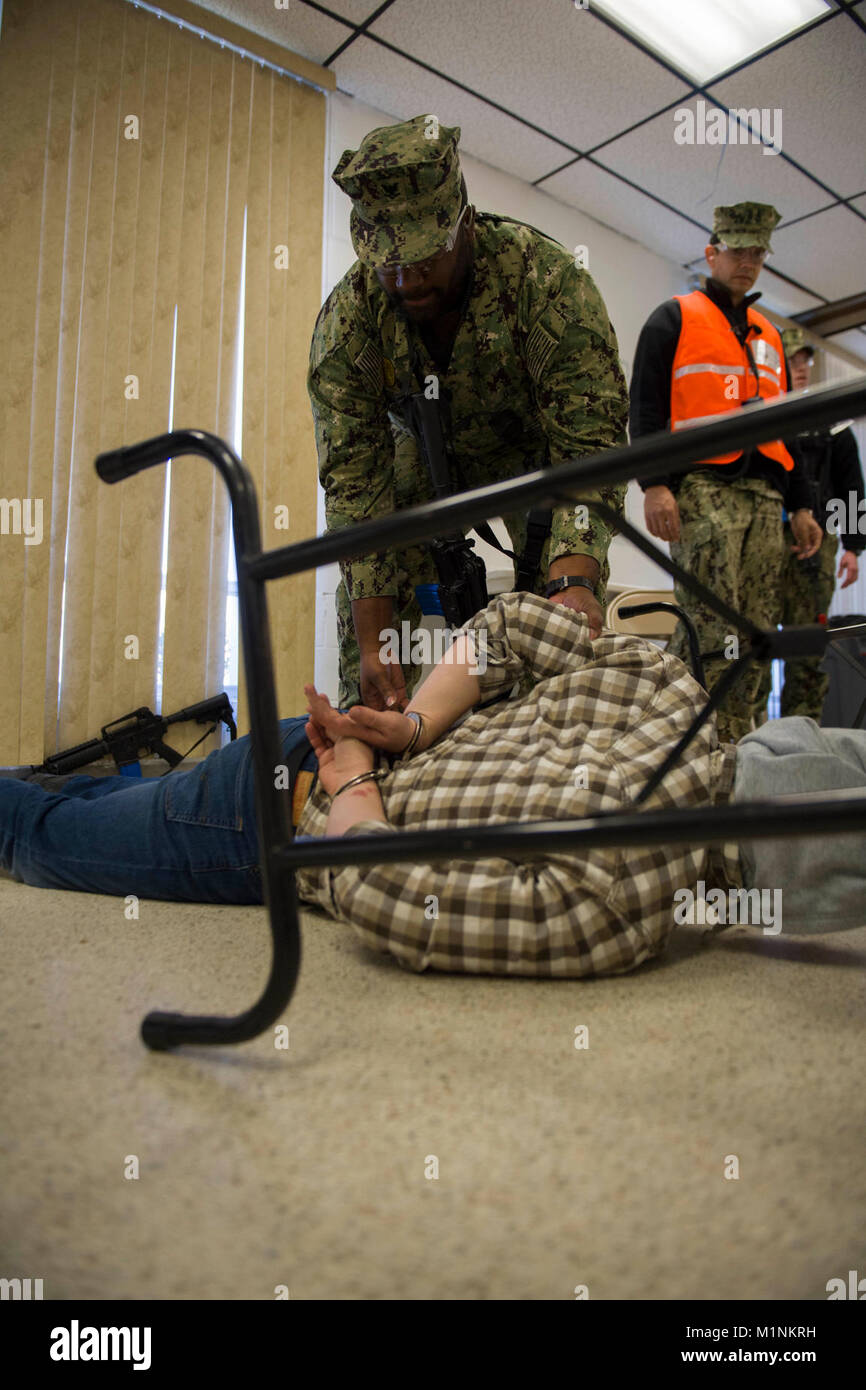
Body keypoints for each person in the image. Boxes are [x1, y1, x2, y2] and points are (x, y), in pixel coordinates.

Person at [2, 592, 865, 978]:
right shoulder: (624, 893)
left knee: (62, 811)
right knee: (40, 840)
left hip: (290, 781)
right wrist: (393, 748)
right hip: (291, 797)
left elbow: (513, 625)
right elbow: (383, 894)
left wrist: (399, 738)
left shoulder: (669, 695)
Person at [307, 114, 630, 713]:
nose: (406, 277)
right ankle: (382, 760)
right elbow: (355, 491)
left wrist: (573, 579)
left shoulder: (547, 281)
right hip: (415, 453)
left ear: (462, 221)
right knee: (373, 641)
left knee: (559, 626)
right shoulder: (349, 326)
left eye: (426, 256)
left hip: (530, 455)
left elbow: (592, 444)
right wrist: (377, 641)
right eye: (388, 261)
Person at [630, 201, 824, 743]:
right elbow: (645, 408)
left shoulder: (770, 334)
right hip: (701, 490)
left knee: (760, 631)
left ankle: (747, 747)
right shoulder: (675, 316)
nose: (748, 260)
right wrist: (656, 484)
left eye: (758, 251)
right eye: (738, 249)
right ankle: (689, 742)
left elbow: (787, 427)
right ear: (712, 252)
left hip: (766, 498)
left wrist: (802, 505)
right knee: (712, 626)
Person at [754, 326, 864, 720]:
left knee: (806, 645)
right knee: (756, 639)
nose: (800, 369)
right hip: (762, 539)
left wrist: (853, 547)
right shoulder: (763, 413)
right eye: (793, 360)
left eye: (806, 361)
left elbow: (852, 487)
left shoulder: (832, 422)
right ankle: (753, 737)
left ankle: (801, 732)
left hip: (816, 546)